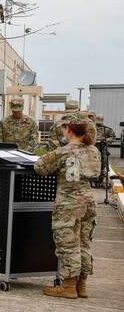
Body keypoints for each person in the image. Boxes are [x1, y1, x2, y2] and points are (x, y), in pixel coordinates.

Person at [34, 113, 101, 298]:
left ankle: (68, 287)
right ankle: (82, 286)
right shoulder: (93, 151)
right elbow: (95, 173)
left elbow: (40, 167)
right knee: (84, 243)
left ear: (68, 130)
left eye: (64, 128)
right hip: (88, 201)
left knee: (68, 245)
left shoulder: (64, 151)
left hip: (68, 204)